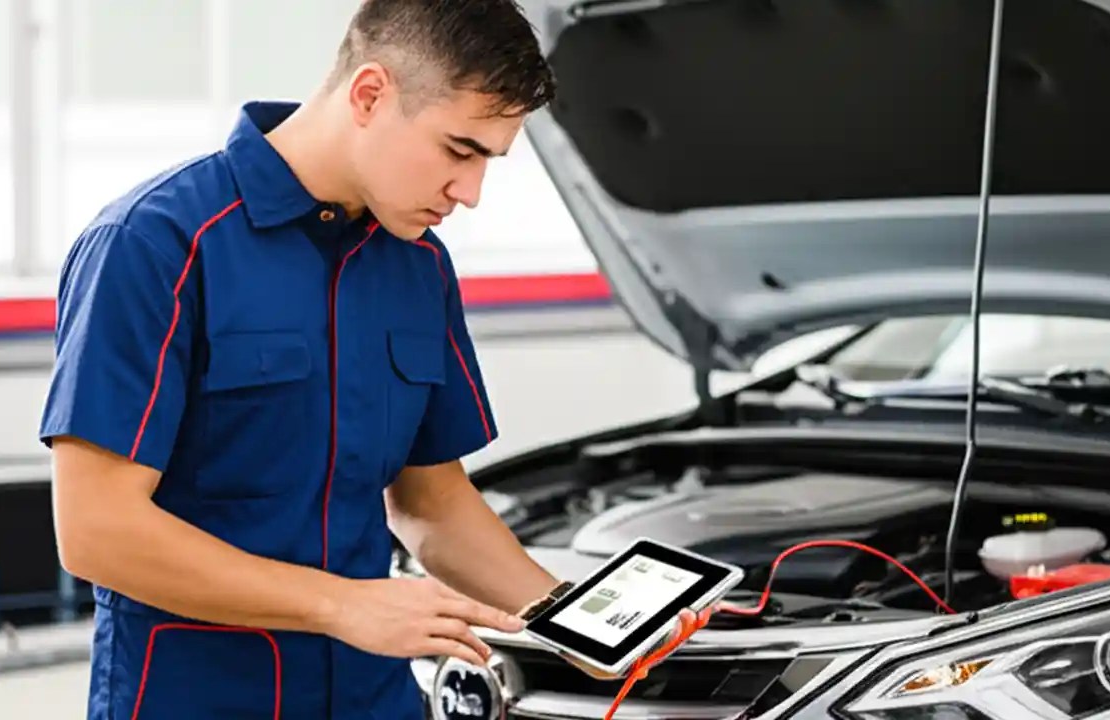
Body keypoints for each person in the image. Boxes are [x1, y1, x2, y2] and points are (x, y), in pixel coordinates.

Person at [39, 1, 685, 717]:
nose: (469, 194)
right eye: (459, 150)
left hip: (373, 698)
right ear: (370, 94)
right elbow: (98, 532)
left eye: (489, 163)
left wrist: (580, 623)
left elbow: (432, 507)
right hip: (195, 699)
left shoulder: (420, 267)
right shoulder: (153, 244)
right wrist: (339, 605)